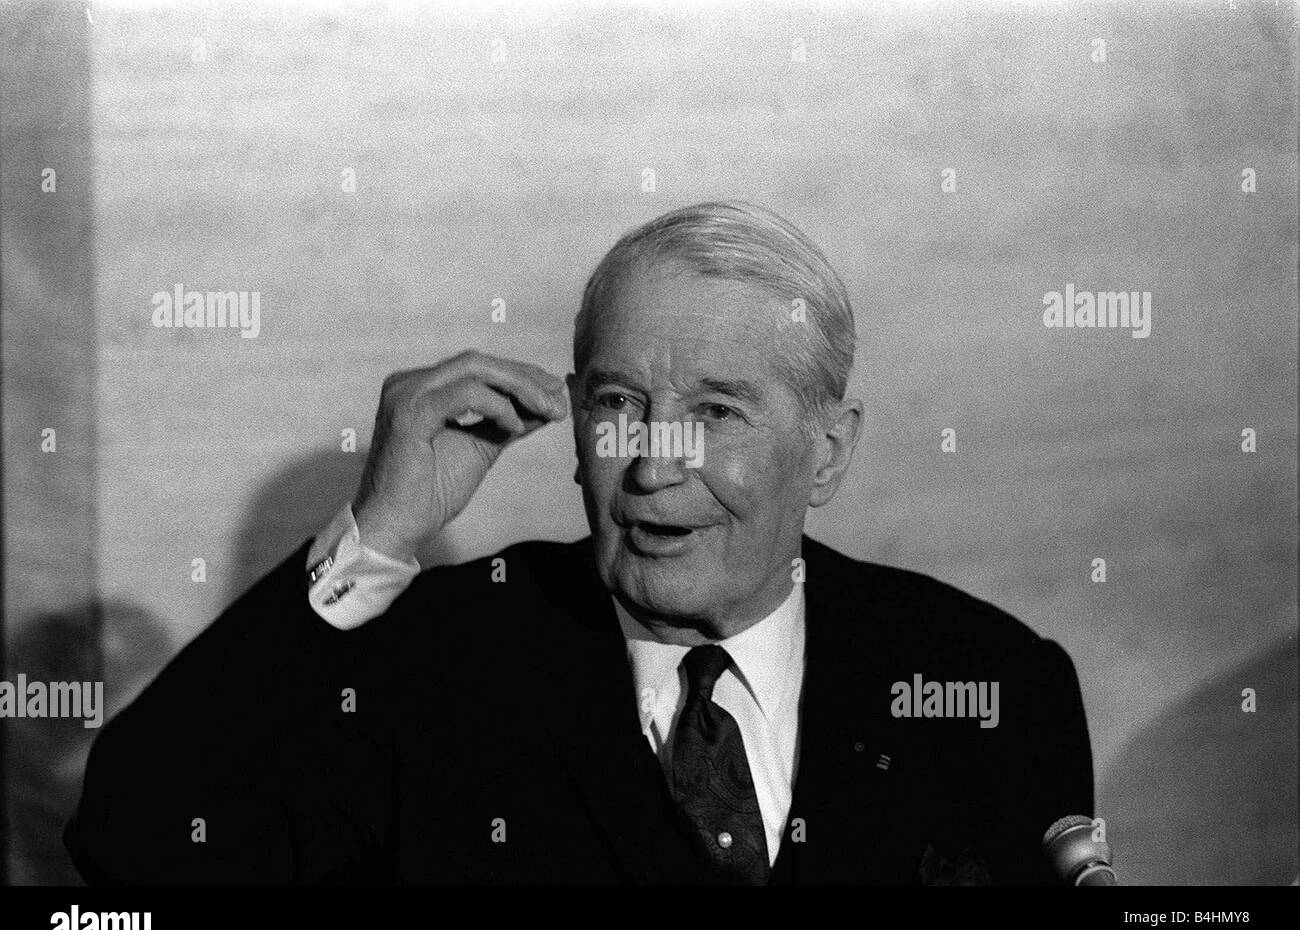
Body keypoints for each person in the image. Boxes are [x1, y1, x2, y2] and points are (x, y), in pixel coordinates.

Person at [65, 201, 1093, 884]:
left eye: (718, 412)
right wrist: (374, 536)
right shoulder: (432, 672)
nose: (652, 467)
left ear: (827, 451)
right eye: (619, 407)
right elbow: (127, 841)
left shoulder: (989, 684)